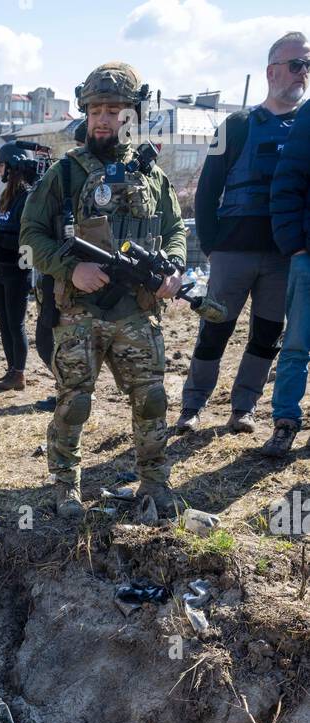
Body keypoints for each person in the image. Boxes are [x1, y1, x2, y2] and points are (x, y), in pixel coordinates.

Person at [19, 63, 186, 520]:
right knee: (75, 401)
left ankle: (154, 485)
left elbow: (173, 230)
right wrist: (71, 270)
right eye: (95, 110)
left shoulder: (151, 173)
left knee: (152, 399)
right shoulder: (65, 174)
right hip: (80, 313)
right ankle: (64, 487)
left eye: (113, 110)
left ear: (133, 114)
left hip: (138, 310)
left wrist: (173, 268)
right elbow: (30, 235)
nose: (102, 119)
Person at [176, 32, 310, 436]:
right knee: (214, 328)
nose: (304, 73)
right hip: (232, 252)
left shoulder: (306, 126)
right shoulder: (233, 125)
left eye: (308, 65)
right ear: (271, 71)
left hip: (284, 255)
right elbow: (207, 189)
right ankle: (192, 407)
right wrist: (213, 246)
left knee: (268, 335)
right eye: (296, 64)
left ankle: (244, 409)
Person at [263, 94, 310, 457]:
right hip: (307, 255)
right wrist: (294, 243)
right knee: (295, 343)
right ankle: (285, 424)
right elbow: (288, 178)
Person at [0, 143, 37, 391]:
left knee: (16, 324)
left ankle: (19, 373)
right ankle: (11, 370)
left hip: (18, 271)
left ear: (14, 166)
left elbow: (26, 239)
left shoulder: (27, 197)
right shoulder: (8, 196)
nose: (0, 171)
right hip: (1, 268)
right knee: (4, 323)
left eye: (3, 165)